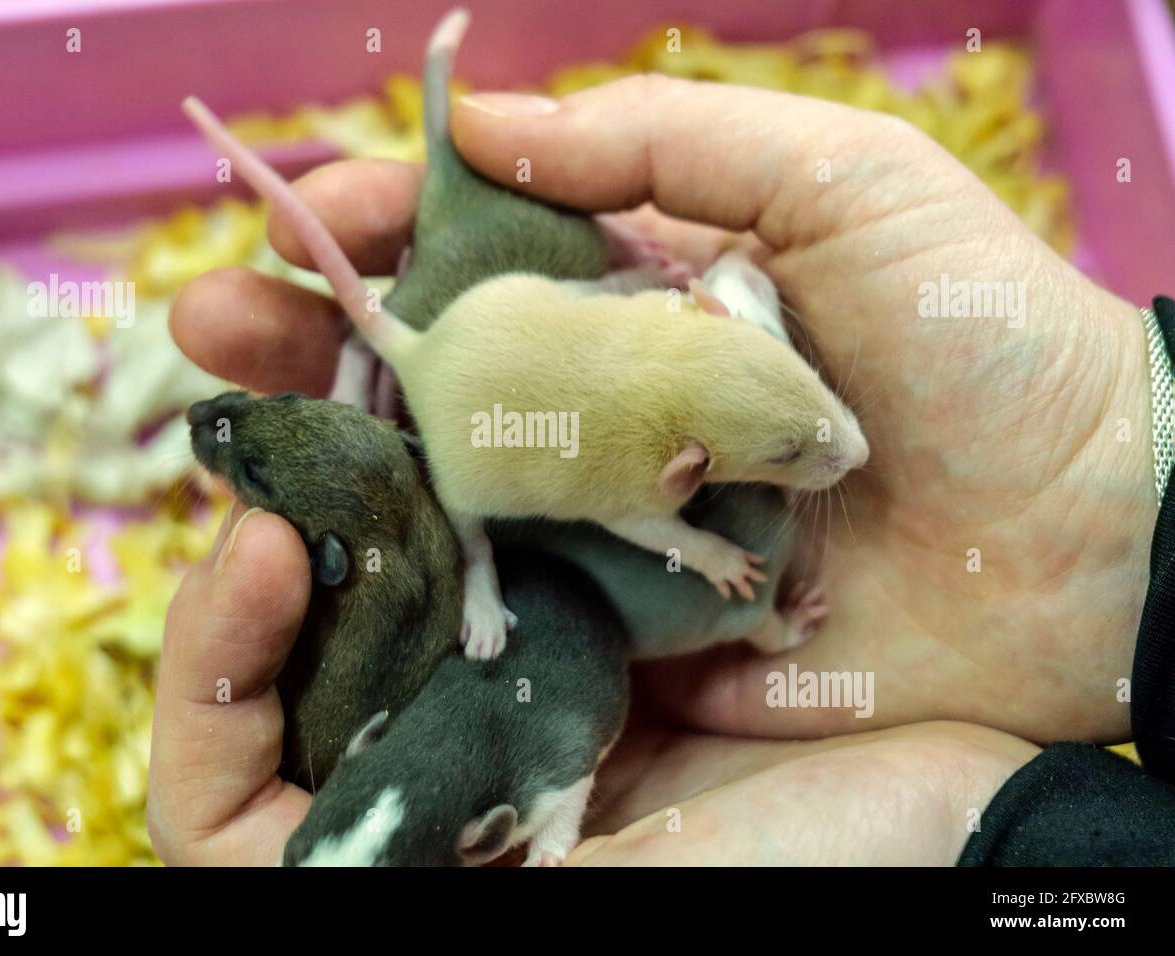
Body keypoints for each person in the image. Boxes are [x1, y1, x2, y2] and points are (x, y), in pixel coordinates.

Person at [146, 76, 1175, 865]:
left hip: (513, 374)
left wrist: (1115, 441)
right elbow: (645, 516)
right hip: (497, 437)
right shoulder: (643, 469)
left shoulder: (673, 364)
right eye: (802, 446)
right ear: (688, 465)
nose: (845, 452)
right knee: (485, 494)